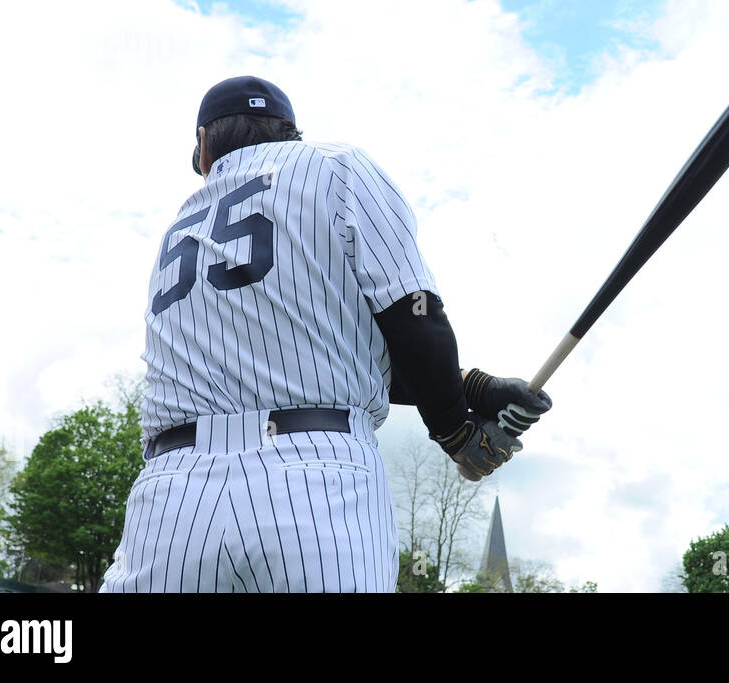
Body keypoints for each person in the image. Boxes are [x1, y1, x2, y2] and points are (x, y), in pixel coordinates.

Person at [100, 76, 550, 593]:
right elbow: (412, 315)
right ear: (289, 132)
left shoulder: (181, 225)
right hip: (312, 479)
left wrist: (471, 386)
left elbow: (305, 349)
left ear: (203, 147)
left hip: (170, 499)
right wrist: (455, 430)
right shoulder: (334, 164)